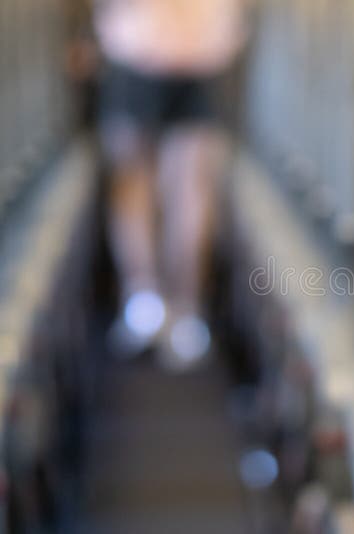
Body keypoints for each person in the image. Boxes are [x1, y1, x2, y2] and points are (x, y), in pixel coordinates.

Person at [92, 0, 250, 370]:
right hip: (196, 48)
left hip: (147, 45)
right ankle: (179, 309)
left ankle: (148, 299)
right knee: (184, 187)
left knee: (143, 183)